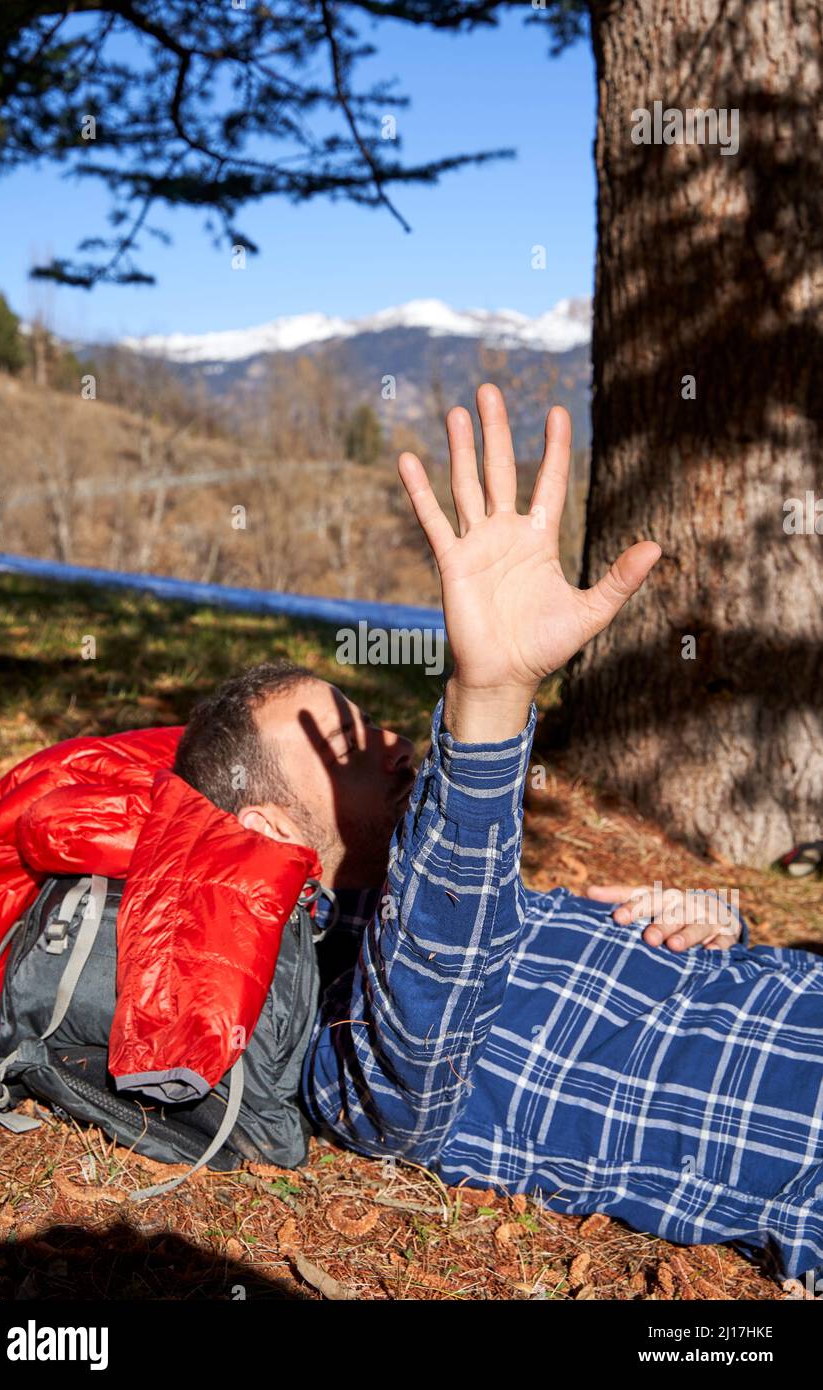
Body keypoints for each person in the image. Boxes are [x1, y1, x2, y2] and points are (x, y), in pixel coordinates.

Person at [170, 384, 823, 1286]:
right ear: (270, 826)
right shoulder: (342, 1035)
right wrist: (489, 700)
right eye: (345, 746)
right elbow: (433, 990)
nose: (390, 744)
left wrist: (708, 920)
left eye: (368, 722)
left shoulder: (458, 898)